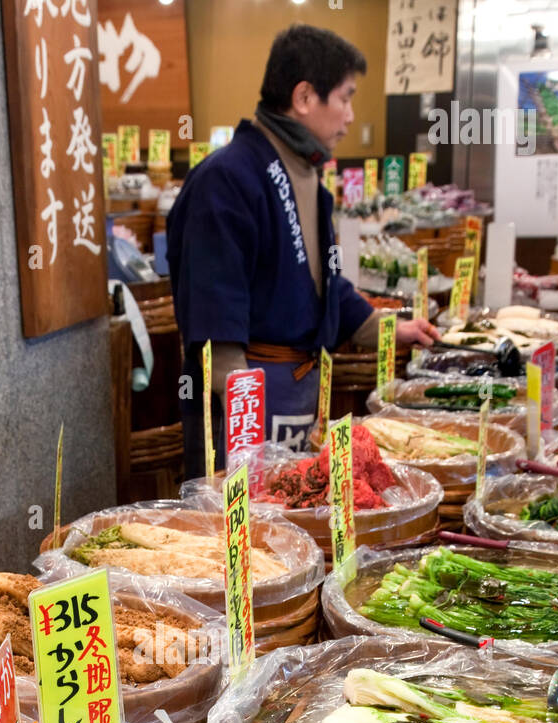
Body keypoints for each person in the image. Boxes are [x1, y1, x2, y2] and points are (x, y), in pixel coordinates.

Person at [167, 24, 439, 476]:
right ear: (305, 97)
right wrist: (245, 447)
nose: (351, 115)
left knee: (292, 535)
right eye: (346, 97)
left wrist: (389, 327)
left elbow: (322, 283)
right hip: (243, 405)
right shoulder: (226, 178)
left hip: (297, 399)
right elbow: (217, 326)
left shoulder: (307, 175)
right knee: (246, 540)